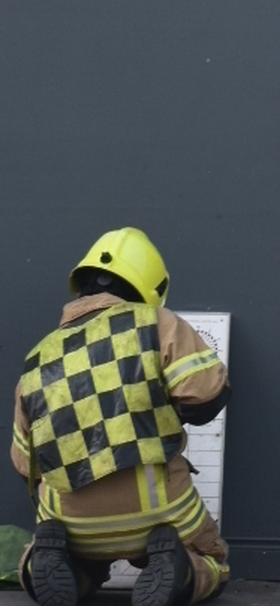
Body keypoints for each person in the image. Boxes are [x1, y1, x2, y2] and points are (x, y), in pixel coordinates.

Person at [11, 228, 231, 606]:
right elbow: (206, 391)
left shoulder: (37, 357)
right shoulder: (155, 322)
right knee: (212, 559)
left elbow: (24, 464)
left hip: (69, 519)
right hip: (159, 508)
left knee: (79, 556)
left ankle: (56, 567)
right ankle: (181, 572)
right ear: (150, 285)